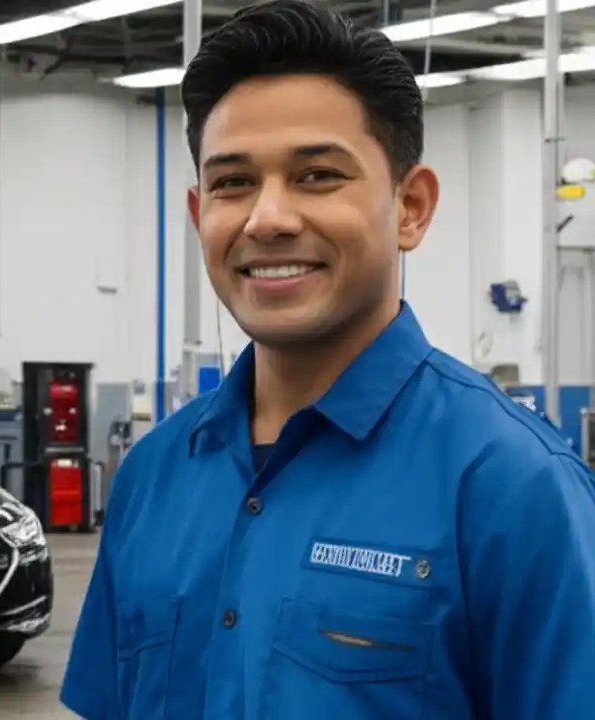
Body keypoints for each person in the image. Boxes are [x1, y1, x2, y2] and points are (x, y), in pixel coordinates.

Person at [59, 1, 595, 718]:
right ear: (198, 216)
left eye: (316, 175)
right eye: (232, 182)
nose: (268, 218)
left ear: (410, 207)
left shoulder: (513, 487)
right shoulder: (154, 476)